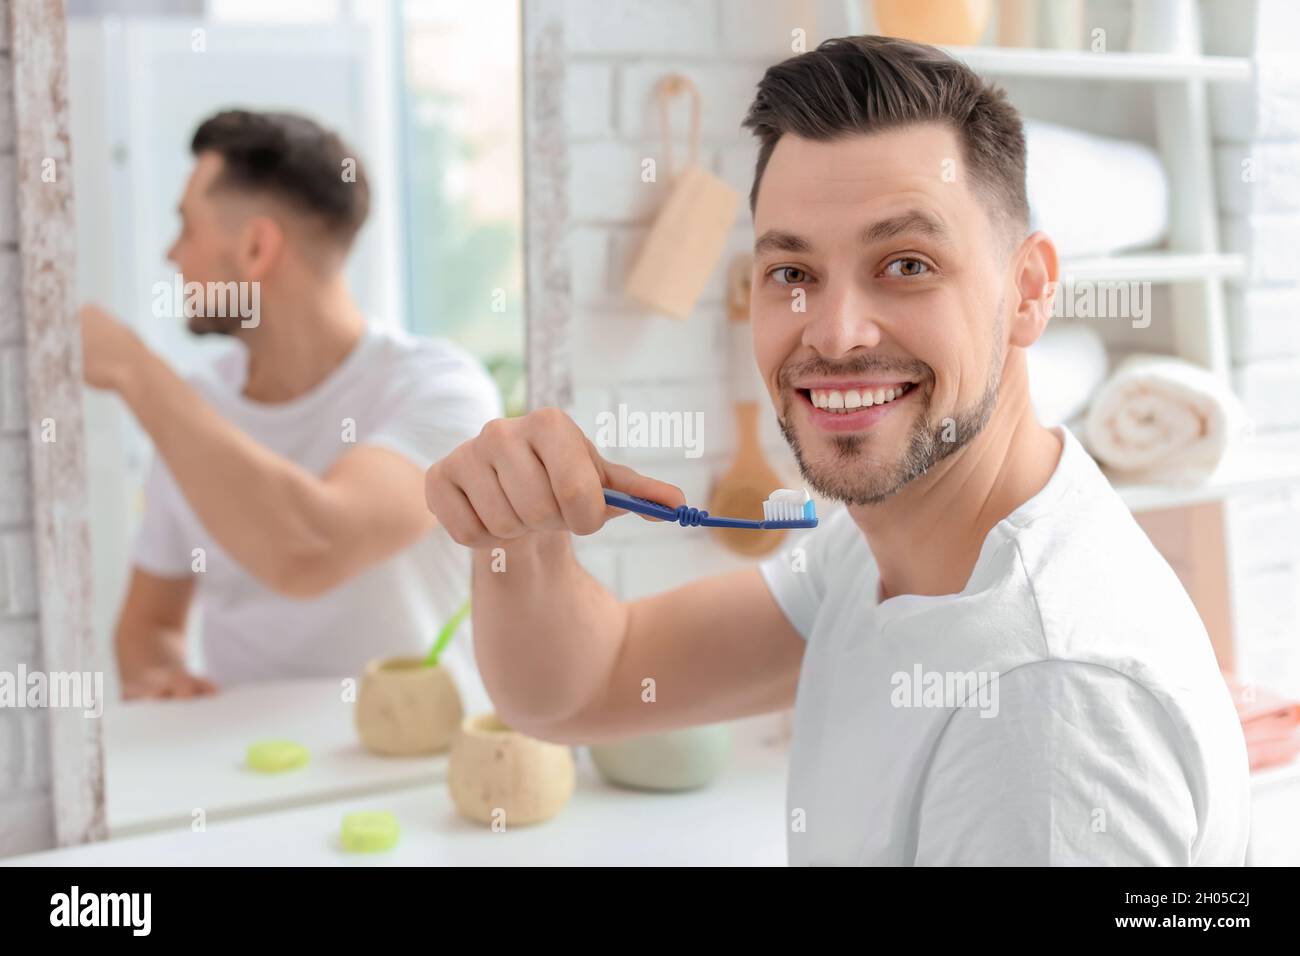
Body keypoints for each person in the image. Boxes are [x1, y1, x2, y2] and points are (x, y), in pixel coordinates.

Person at [424, 36, 1251, 865]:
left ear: (1029, 291)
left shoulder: (1045, 707)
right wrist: (516, 542)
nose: (835, 333)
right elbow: (586, 685)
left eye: (906, 263)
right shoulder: (881, 546)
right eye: (793, 272)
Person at [82, 110, 500, 704]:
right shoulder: (197, 407)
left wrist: (133, 369)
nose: (172, 255)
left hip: (415, 769)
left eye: (187, 228)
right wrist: (160, 679)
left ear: (256, 247)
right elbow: (148, 628)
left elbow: (314, 549)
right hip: (248, 774)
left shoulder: (441, 390)